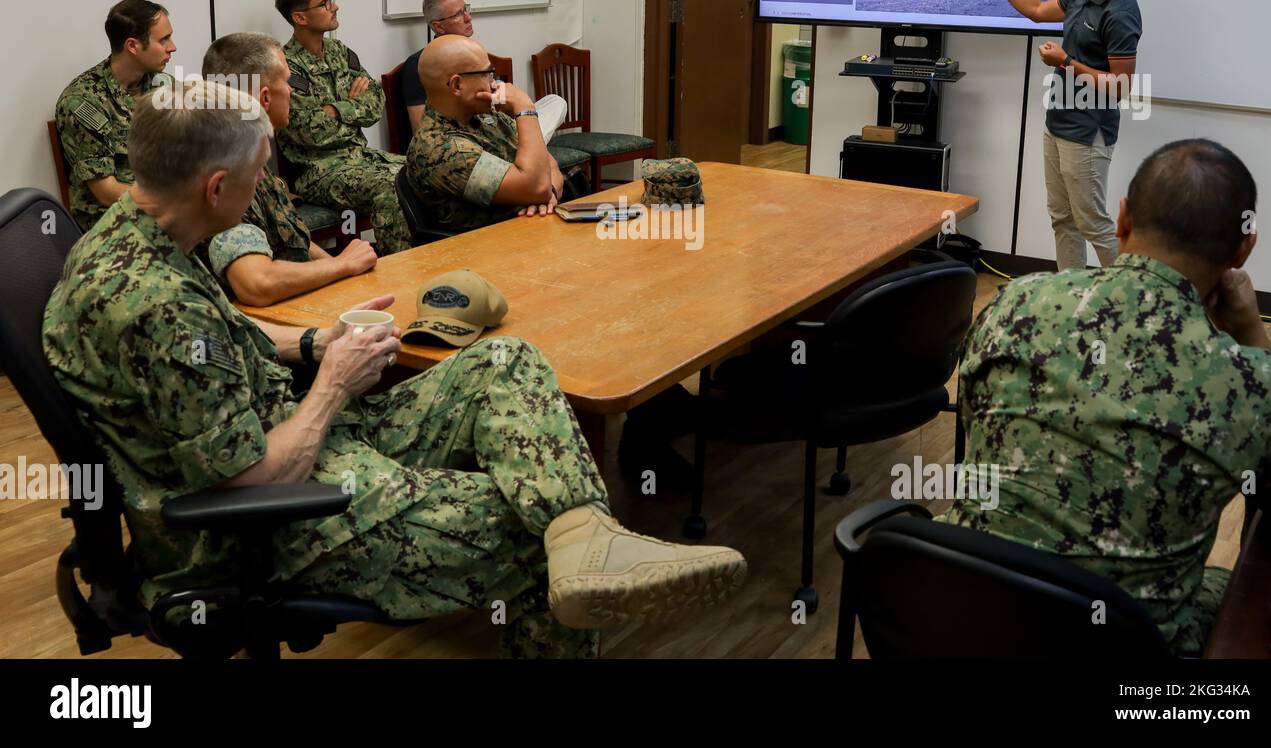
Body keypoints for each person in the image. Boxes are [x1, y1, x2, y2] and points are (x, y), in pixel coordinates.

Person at [42, 79, 746, 658]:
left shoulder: (135, 229)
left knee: (505, 358)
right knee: (525, 531)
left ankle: (582, 534)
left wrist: (314, 346)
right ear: (217, 185)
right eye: (258, 177)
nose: (263, 188)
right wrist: (334, 385)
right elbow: (248, 478)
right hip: (256, 521)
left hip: (292, 431)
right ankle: (573, 541)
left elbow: (223, 335)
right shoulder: (153, 305)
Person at [945, 139, 1271, 655]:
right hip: (1130, 646)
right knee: (1243, 586)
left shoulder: (1016, 303)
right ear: (1242, 250)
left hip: (959, 612)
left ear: (1123, 220)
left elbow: (973, 423)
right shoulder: (1251, 383)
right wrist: (1256, 340)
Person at [966, 0, 1142, 270]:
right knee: (1063, 219)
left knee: (1093, 222)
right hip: (1057, 125)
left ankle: (1133, 299)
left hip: (1088, 132)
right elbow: (1035, 10)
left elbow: (1120, 86)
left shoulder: (1121, 10)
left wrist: (1065, 63)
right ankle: (1071, 295)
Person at [200, 32, 377, 306]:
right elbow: (257, 284)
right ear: (265, 97)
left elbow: (295, 239)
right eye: (286, 80)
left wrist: (345, 278)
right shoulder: (224, 168)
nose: (292, 90)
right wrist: (342, 266)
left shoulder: (246, 152)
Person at [274, 0, 411, 255]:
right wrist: (351, 105)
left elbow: (375, 102)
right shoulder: (286, 66)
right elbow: (309, 132)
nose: (335, 7)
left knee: (423, 170)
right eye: (325, 3)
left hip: (362, 158)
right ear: (300, 17)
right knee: (389, 186)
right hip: (319, 173)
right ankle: (399, 266)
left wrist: (337, 109)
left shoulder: (340, 52)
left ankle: (433, 256)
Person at [406, 35, 566, 233]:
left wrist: (549, 193)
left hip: (531, 231)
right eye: (488, 74)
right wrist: (525, 108)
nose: (495, 83)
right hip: (491, 250)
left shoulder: (486, 116)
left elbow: (549, 165)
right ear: (457, 85)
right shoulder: (441, 147)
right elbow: (537, 187)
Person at [54, 0, 175, 230]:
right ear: (133, 46)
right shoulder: (83, 103)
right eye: (164, 40)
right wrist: (172, 203)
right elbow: (106, 193)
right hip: (115, 220)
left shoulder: (162, 84)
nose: (173, 47)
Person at [401, 0, 473, 131]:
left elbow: (498, 100)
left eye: (466, 9)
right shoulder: (419, 65)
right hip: (455, 144)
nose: (468, 17)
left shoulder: (475, 55)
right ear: (439, 27)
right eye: (458, 14)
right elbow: (421, 129)